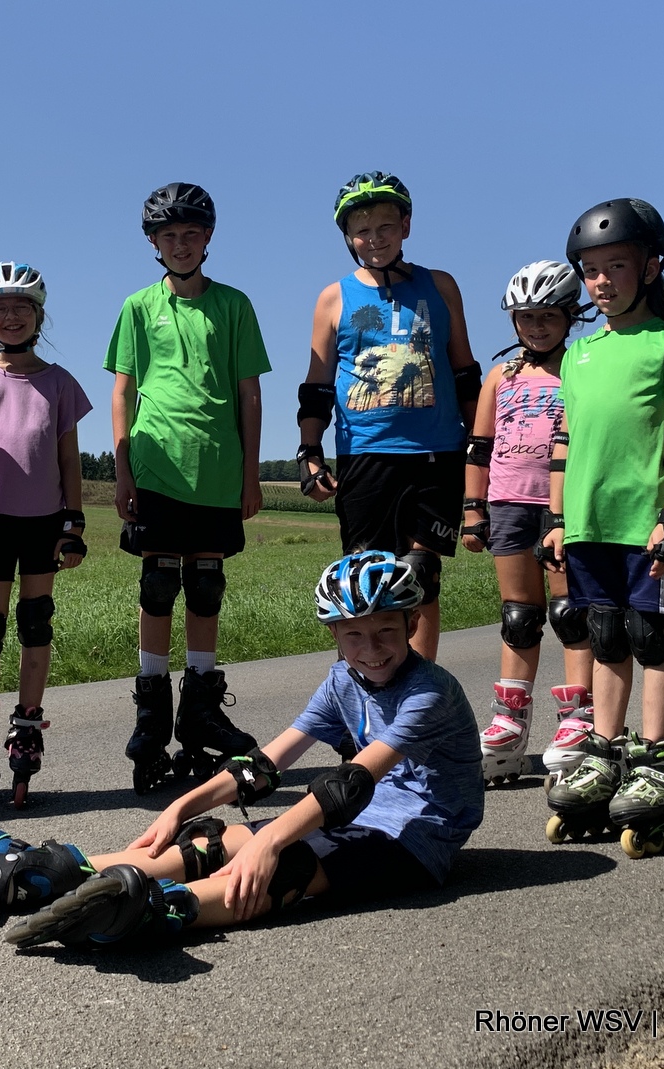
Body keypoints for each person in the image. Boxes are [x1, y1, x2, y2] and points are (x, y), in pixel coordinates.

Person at [0, 550, 483, 948]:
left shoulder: (430, 692)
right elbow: (264, 765)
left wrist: (269, 843)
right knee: (207, 843)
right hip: (354, 820)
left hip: (413, 840)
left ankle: (155, 910)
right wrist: (180, 808)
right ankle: (43, 873)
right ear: (334, 636)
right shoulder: (343, 679)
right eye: (353, 635)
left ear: (412, 623)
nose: (371, 649)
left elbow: (349, 783)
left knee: (281, 863)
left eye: (385, 631)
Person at [538, 199, 664, 859]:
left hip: (643, 525)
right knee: (604, 633)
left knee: (648, 633)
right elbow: (564, 441)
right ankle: (605, 754)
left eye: (616, 266)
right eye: (590, 270)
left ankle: (656, 760)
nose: (602, 281)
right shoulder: (579, 356)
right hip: (585, 524)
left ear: (651, 264)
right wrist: (555, 519)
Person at [109, 182, 270, 795]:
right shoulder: (137, 307)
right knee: (158, 585)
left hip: (219, 469)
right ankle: (151, 715)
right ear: (153, 243)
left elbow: (250, 393)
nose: (181, 244)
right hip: (156, 465)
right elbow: (123, 391)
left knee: (206, 586)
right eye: (169, 236)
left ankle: (200, 707)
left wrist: (251, 472)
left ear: (208, 239)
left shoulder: (234, 305)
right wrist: (122, 468)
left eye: (192, 234)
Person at [296, 172, 483, 665]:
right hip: (365, 454)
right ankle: (366, 697)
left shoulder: (439, 286)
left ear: (405, 226)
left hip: (435, 451)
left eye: (385, 227)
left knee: (421, 576)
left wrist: (482, 441)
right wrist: (310, 452)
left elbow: (464, 370)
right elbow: (316, 386)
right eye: (362, 231)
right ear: (348, 238)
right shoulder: (333, 297)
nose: (374, 239)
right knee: (365, 583)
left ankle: (418, 702)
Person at [0, 262, 93, 807]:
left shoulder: (58, 382)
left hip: (41, 519)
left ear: (39, 315)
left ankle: (28, 722)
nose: (9, 317)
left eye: (21, 307)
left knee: (35, 624)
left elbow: (68, 455)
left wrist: (74, 519)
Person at [461, 262, 595, 786]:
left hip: (564, 504)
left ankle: (578, 722)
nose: (535, 326)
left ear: (569, 316)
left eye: (547, 316)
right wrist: (473, 510)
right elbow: (479, 446)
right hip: (508, 502)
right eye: (525, 317)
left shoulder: (582, 367)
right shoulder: (502, 375)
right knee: (519, 616)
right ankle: (509, 725)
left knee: (570, 614)